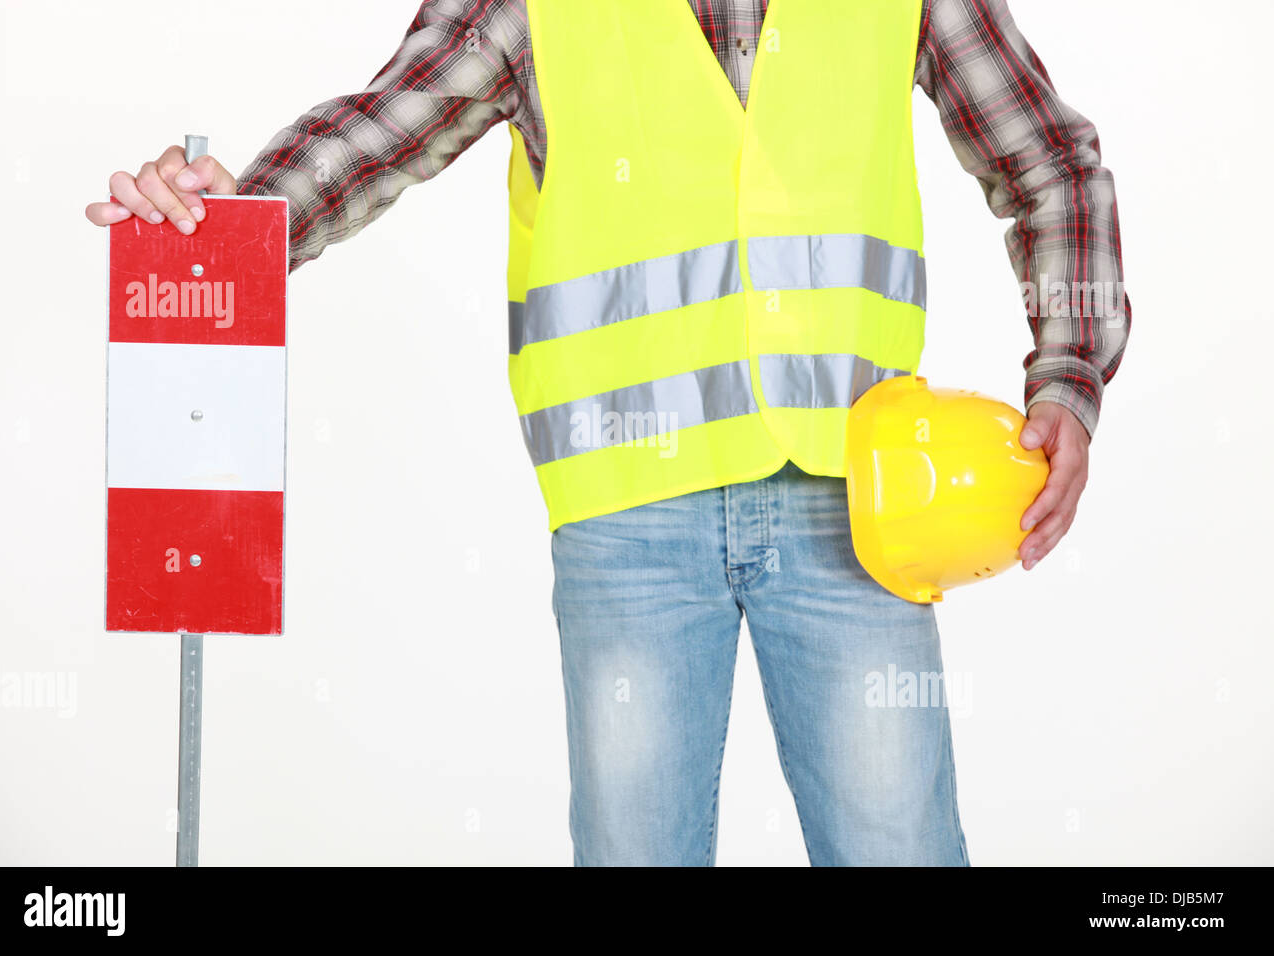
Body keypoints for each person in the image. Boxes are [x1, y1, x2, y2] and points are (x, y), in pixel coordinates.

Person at [86, 0, 1130, 866]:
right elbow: (380, 130)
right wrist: (233, 221)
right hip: (629, 522)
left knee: (899, 848)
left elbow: (1048, 158)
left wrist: (1070, 369)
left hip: (860, 509)